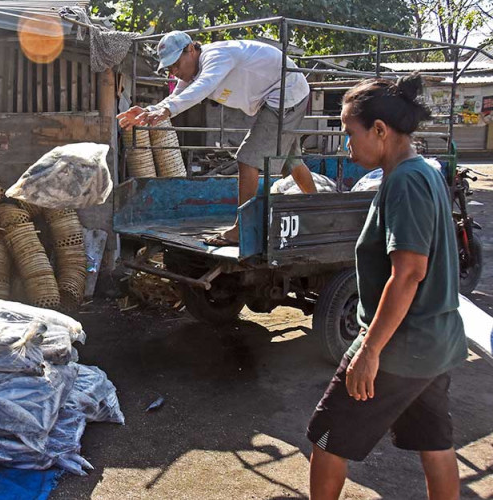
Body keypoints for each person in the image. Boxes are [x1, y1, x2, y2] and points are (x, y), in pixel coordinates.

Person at [306, 74, 467, 500]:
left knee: (327, 437)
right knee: (435, 442)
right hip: (433, 342)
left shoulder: (405, 181)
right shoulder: (423, 170)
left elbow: (409, 272)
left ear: (379, 130)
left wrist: (369, 351)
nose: (346, 144)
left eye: (349, 132)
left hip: (400, 345)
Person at [117, 31, 317, 246]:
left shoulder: (216, 56)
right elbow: (177, 96)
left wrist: (166, 111)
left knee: (248, 159)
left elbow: (203, 87)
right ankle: (319, 208)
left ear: (191, 50)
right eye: (169, 68)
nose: (174, 72)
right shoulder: (193, 72)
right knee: (290, 161)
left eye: (176, 64)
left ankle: (242, 229)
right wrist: (149, 111)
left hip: (286, 93)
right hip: (281, 94)